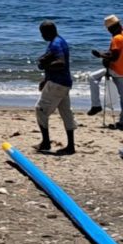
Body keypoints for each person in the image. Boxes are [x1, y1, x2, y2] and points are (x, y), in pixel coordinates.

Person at [36, 20, 75, 156]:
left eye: (42, 33)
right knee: (66, 113)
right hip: (65, 83)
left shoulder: (56, 44)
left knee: (40, 110)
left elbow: (60, 63)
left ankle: (46, 142)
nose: (42, 36)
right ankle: (71, 146)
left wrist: (45, 66)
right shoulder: (60, 41)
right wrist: (45, 79)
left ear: (48, 32)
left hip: (57, 83)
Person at [88, 15, 123, 131]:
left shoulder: (117, 38)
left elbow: (114, 56)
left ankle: (96, 105)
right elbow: (120, 53)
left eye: (109, 28)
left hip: (115, 69)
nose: (108, 31)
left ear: (111, 28)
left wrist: (100, 55)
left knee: (92, 77)